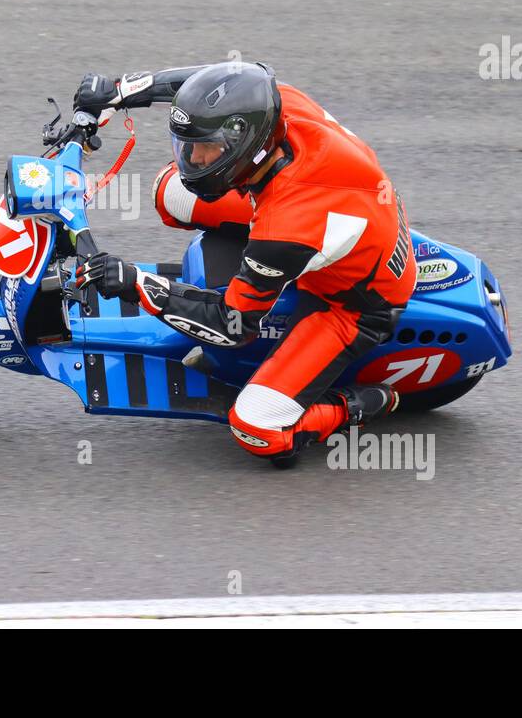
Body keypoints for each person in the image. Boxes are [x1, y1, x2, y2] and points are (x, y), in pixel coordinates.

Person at [73, 62, 414, 465]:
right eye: (191, 143)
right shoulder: (271, 103)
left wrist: (136, 285)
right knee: (170, 193)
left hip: (352, 305)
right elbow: (207, 86)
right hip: (335, 210)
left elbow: (231, 326)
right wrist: (120, 90)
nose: (194, 157)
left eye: (207, 147)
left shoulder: (284, 230)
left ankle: (354, 406)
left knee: (257, 430)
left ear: (245, 142)